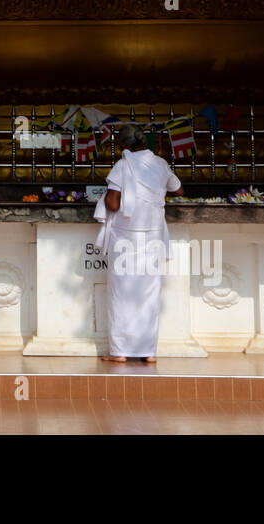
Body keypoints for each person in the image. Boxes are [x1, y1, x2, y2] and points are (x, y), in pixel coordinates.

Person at [94, 123, 183, 364]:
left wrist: (104, 197)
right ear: (145, 142)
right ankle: (148, 352)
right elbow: (178, 189)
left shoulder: (124, 165)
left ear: (123, 144)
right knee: (149, 294)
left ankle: (119, 352)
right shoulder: (160, 164)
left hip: (126, 237)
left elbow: (113, 203)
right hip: (153, 235)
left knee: (121, 294)